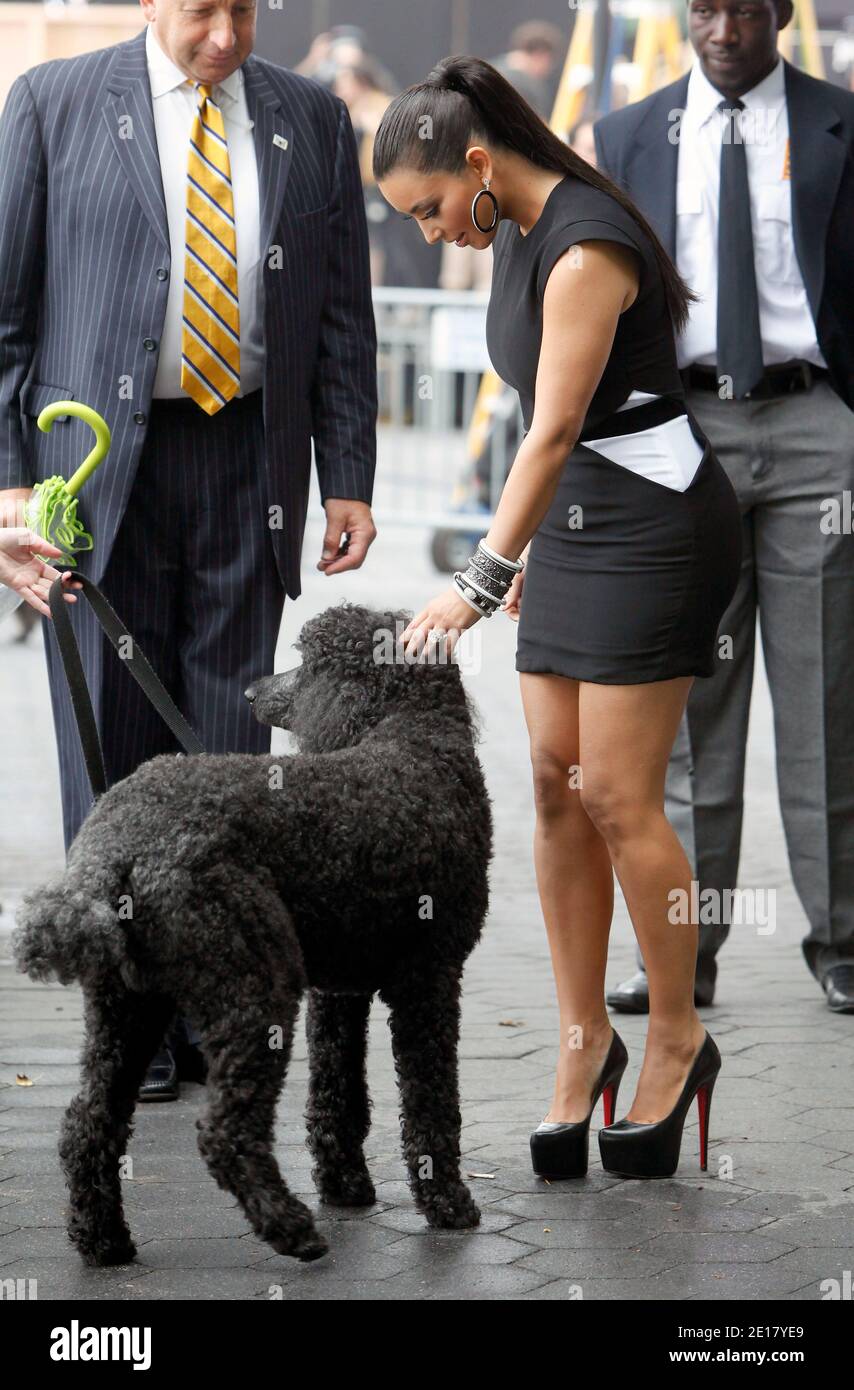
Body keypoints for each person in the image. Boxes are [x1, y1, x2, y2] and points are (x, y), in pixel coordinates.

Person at [372, 55, 742, 1181]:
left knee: (621, 794)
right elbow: (541, 422)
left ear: (477, 165)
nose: (430, 234)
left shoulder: (581, 242)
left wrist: (481, 574)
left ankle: (677, 1033)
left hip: (652, 529)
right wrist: (533, 549)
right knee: (550, 784)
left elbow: (552, 425)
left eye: (430, 210)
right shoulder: (514, 229)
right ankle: (584, 1037)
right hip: (578, 527)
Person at [0, 0, 378, 1099]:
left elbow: (340, 309)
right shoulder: (53, 105)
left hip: (245, 464)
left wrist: (344, 469)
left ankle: (218, 1006)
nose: (227, 34)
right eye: (204, 9)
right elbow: (8, 319)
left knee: (224, 754)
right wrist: (14, 487)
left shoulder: (309, 118)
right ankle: (135, 1021)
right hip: (97, 474)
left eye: (246, 9)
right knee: (113, 757)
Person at [594, 0, 854, 1015]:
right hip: (685, 432)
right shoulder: (624, 135)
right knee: (688, 698)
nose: (720, 27)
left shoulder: (839, 123)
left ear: (776, 15)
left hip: (815, 421)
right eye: (701, 8)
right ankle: (680, 951)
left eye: (740, 8)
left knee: (823, 691)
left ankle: (838, 939)